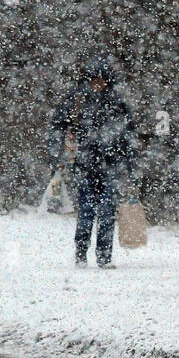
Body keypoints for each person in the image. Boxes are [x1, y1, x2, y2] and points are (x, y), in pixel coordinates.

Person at [45, 58, 138, 267]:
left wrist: (130, 163)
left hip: (109, 164)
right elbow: (58, 127)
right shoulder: (77, 100)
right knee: (86, 210)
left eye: (101, 80)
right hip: (83, 164)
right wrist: (55, 155)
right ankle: (81, 253)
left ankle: (103, 255)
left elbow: (128, 135)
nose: (98, 84)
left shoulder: (116, 102)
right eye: (94, 80)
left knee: (107, 211)